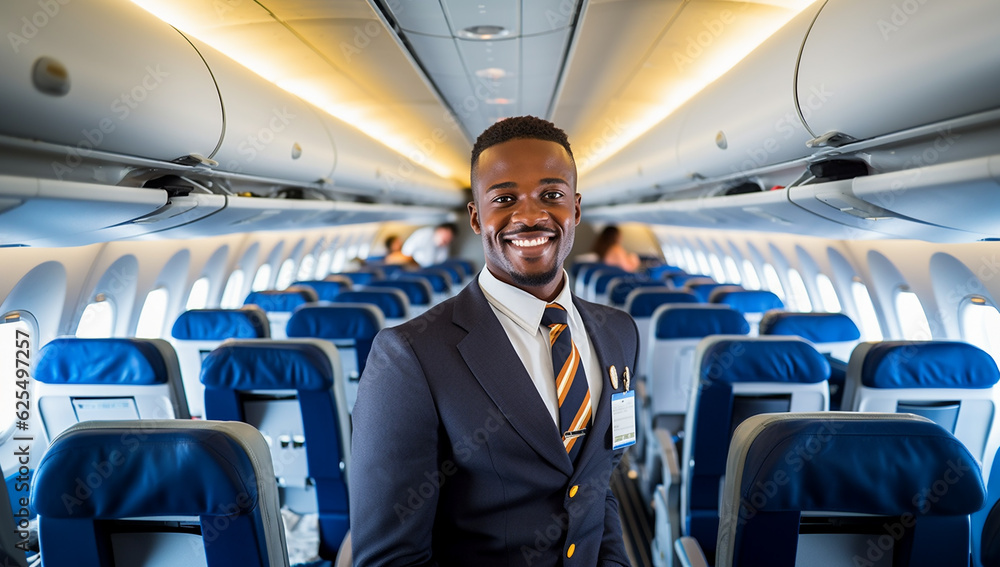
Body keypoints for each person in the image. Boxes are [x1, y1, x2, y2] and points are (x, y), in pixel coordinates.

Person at [350, 116, 638, 566]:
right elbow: (392, 558)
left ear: (576, 209)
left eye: (551, 195)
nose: (529, 216)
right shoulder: (412, 355)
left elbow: (598, 488)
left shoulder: (619, 333)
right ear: (476, 216)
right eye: (504, 198)